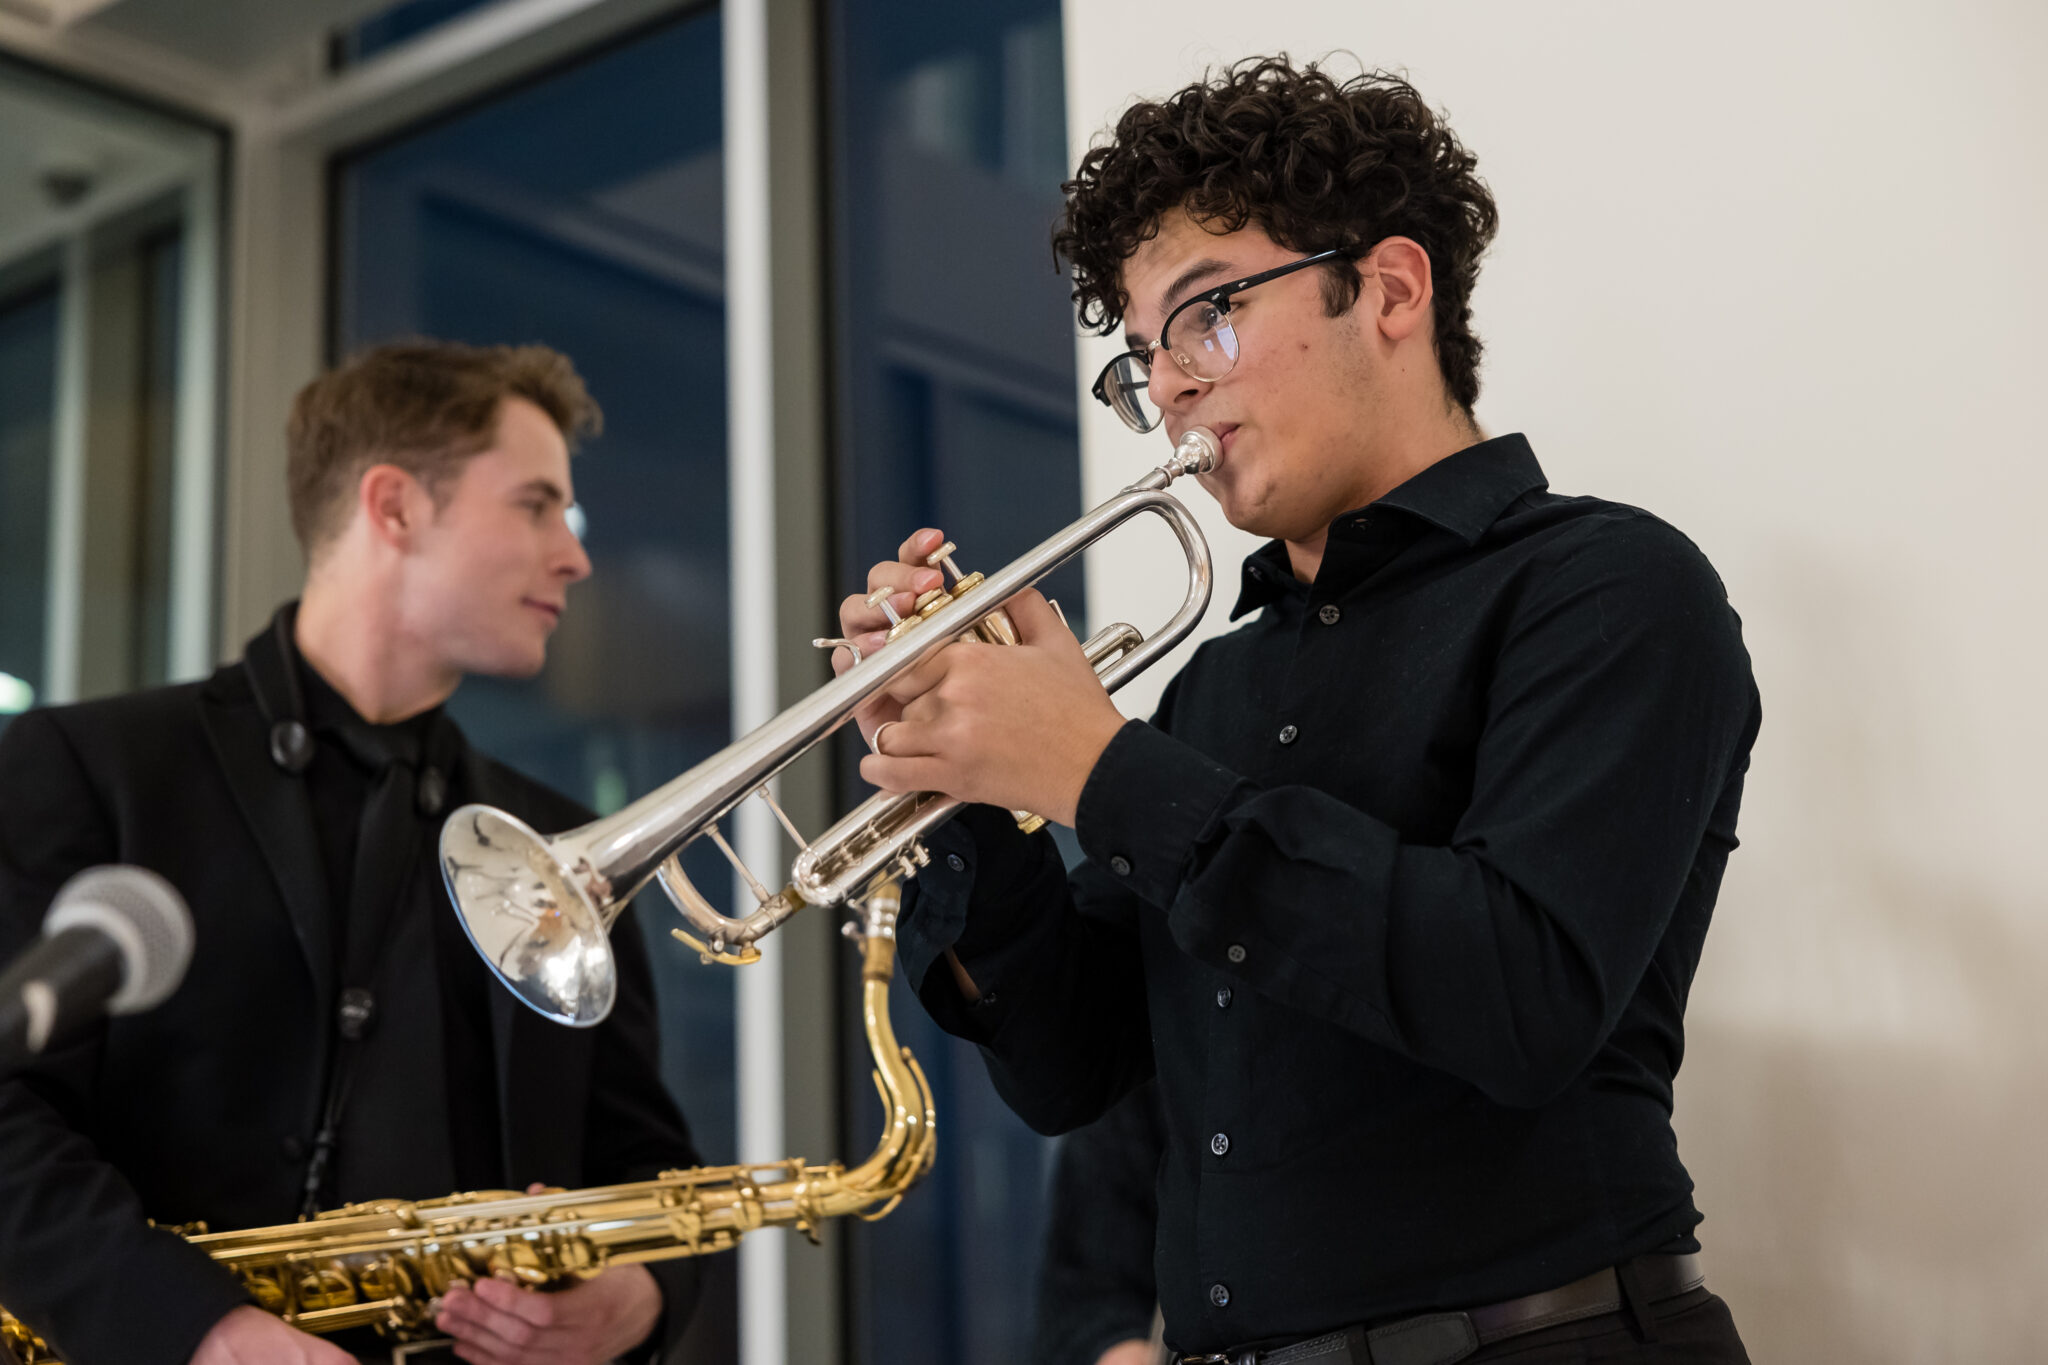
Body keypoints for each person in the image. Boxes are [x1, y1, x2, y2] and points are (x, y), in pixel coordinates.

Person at [837, 58, 1762, 1364]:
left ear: (1388, 288)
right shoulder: (1216, 685)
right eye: (1142, 355)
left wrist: (1102, 768)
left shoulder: (1608, 588)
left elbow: (1516, 996)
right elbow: (1073, 1067)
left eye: (1207, 315)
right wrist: (977, 778)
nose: (1166, 388)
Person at [0, 340, 705, 1365]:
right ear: (394, 507)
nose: (575, 555)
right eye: (536, 505)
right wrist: (201, 1334)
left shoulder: (563, 846)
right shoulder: (88, 768)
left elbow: (644, 1167)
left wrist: (636, 1300)